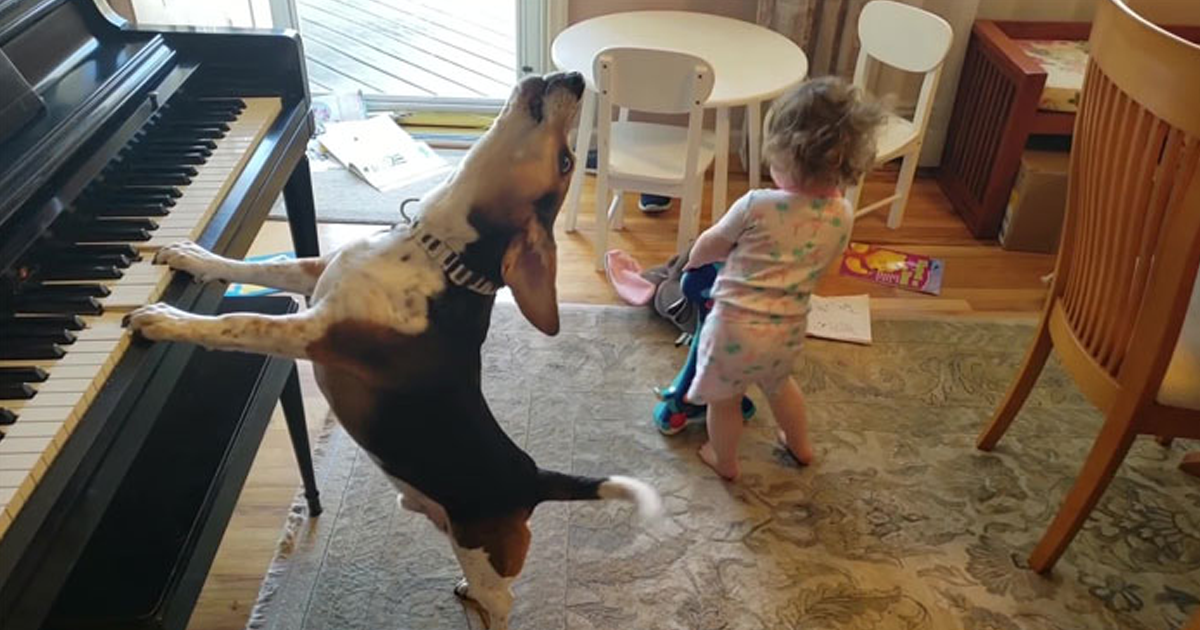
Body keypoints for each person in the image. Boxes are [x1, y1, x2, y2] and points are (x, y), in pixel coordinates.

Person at [682, 77, 884, 480]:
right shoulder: (842, 214)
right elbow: (826, 259)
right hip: (787, 327)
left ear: (786, 156)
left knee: (725, 400)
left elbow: (713, 242)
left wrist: (694, 261)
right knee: (781, 387)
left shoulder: (756, 204)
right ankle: (800, 447)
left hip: (733, 329)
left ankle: (725, 461)